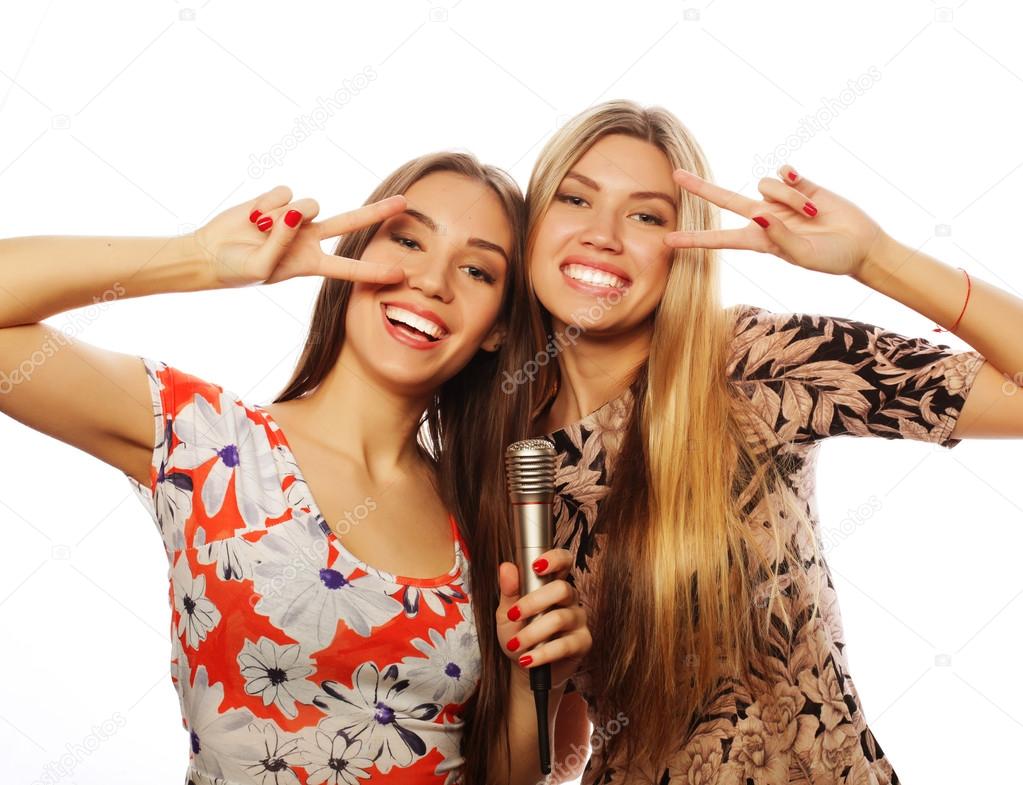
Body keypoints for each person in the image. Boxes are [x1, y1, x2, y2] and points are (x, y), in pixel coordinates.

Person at [0, 152, 590, 784]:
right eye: (408, 241)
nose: (432, 281)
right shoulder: (208, 440)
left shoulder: (494, 514)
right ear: (351, 259)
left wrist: (536, 686)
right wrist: (201, 257)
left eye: (476, 270)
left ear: (498, 329)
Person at [488, 98, 1023, 784]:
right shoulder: (506, 458)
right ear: (532, 222)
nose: (603, 235)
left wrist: (875, 258)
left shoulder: (751, 363)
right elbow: (557, 759)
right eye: (576, 199)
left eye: (646, 216)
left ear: (683, 245)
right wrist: (540, 678)